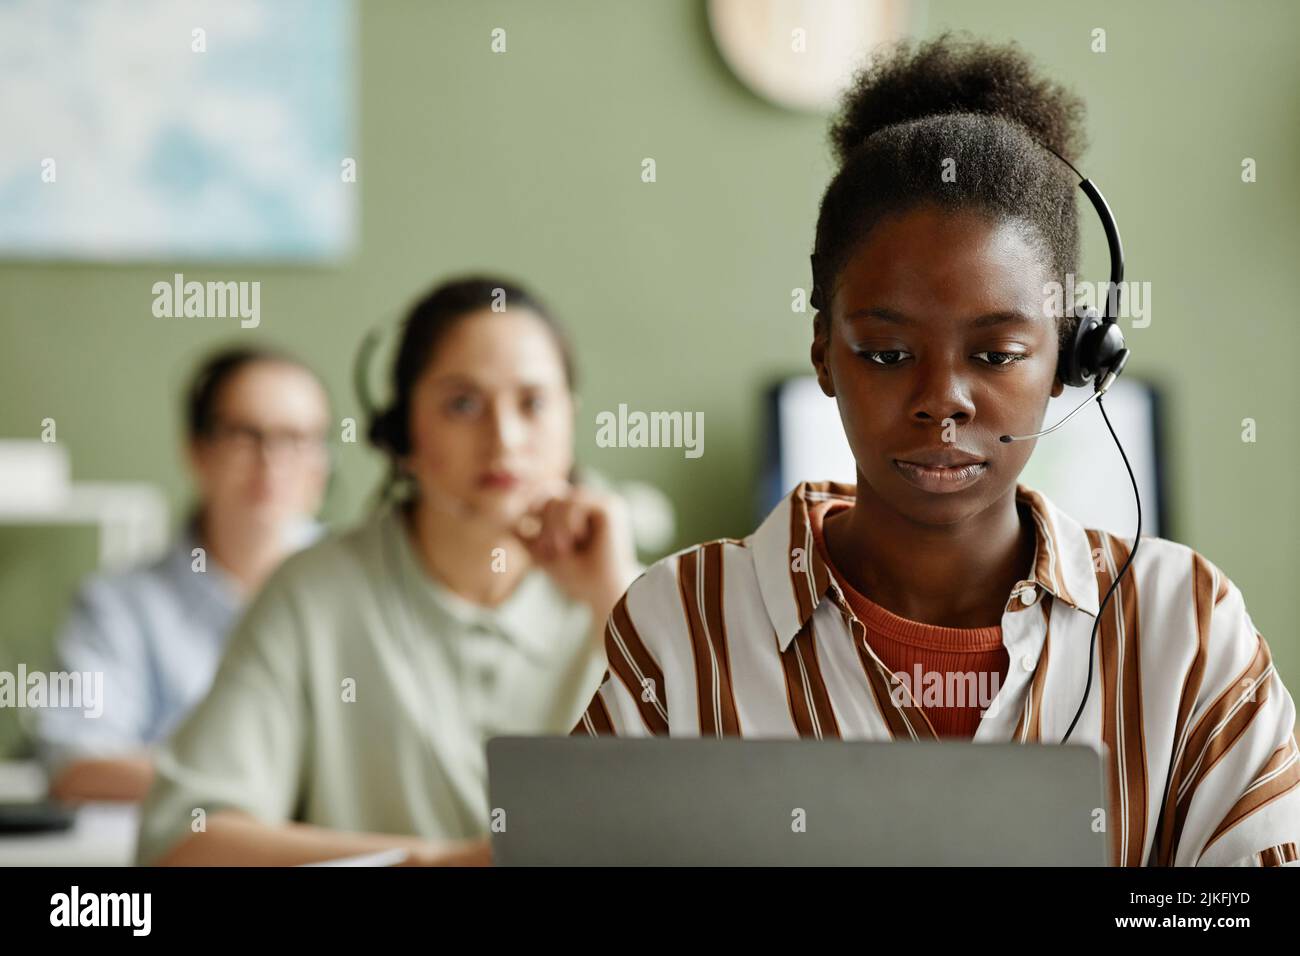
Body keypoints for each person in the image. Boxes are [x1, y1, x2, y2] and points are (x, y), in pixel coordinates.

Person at [571, 35, 1300, 868]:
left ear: (1068, 359)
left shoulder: (1187, 629)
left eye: (994, 355)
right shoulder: (685, 622)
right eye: (886, 354)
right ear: (823, 353)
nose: (941, 400)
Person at [136, 276, 639, 866]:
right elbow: (184, 842)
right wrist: (437, 864)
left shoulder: (630, 596)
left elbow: (737, 819)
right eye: (463, 404)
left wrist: (622, 602)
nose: (504, 438)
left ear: (570, 419)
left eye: (532, 403)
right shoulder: (311, 596)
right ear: (404, 433)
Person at [37, 347, 331, 802]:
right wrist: (269, 782)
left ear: (322, 463)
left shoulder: (363, 588)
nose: (271, 461)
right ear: (196, 450)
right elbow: (77, 764)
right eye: (244, 434)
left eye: (296, 438)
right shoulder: (117, 605)